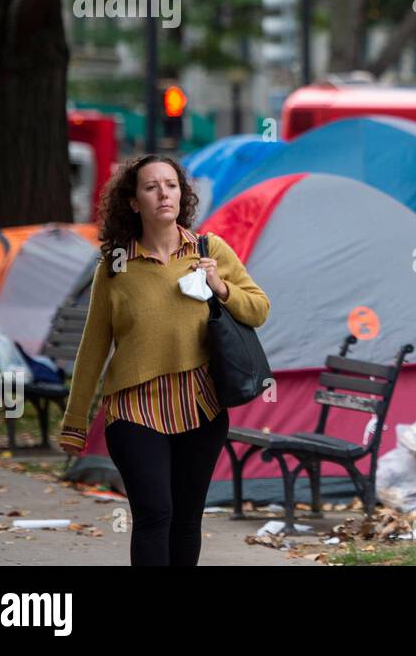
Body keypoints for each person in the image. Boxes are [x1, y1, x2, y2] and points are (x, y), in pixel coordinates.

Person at [58, 153, 270, 565]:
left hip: (201, 406)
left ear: (182, 194)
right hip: (134, 410)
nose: (163, 194)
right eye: (151, 187)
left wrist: (219, 286)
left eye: (171, 185)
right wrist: (76, 420)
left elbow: (259, 308)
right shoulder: (115, 265)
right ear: (134, 202)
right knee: (155, 513)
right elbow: (94, 345)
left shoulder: (210, 250)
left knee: (187, 520)